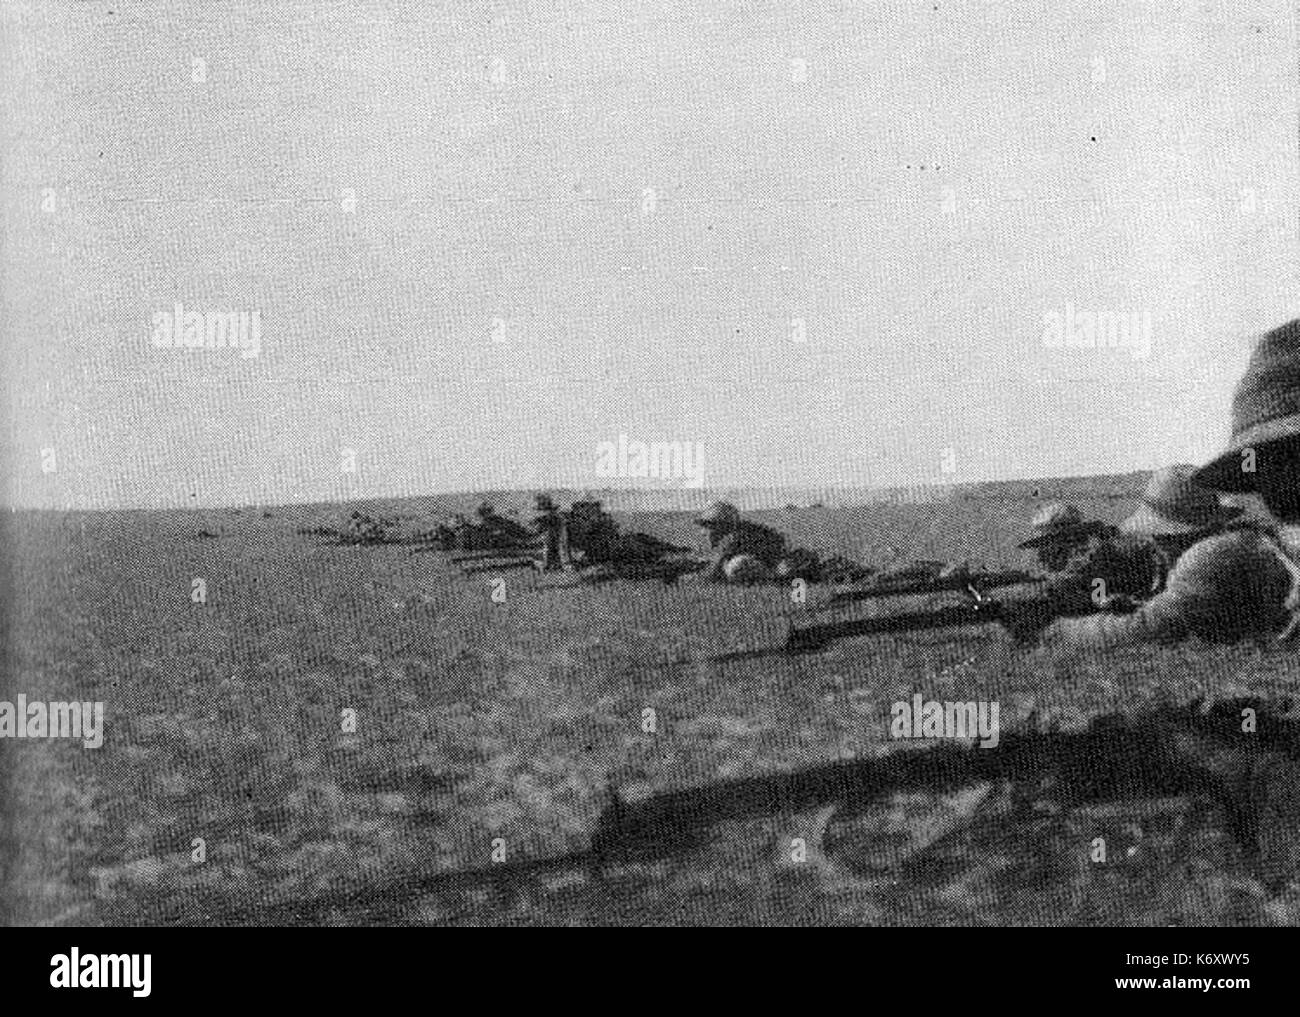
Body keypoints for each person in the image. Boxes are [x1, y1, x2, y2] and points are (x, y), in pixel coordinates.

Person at [1042, 318, 1300, 651]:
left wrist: (1051, 632)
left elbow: (1145, 629)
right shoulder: (1249, 552)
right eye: (1272, 466)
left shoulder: (1222, 558)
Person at [694, 501, 787, 584]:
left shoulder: (733, 537)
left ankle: (775, 578)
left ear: (720, 526)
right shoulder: (735, 532)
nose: (703, 532)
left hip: (779, 564)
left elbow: (714, 572)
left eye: (707, 526)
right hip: (773, 561)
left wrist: (695, 579)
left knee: (736, 566)